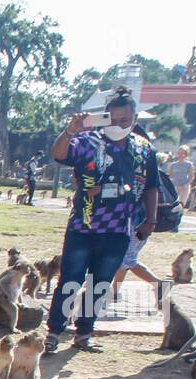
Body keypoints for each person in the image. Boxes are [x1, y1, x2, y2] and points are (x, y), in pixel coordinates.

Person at [44, 87, 159, 354]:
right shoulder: (88, 141)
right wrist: (71, 130)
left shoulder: (144, 149)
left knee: (100, 283)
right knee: (71, 280)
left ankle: (85, 332)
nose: (118, 125)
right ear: (105, 117)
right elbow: (59, 155)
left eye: (125, 120)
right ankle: (54, 331)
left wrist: (150, 220)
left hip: (120, 229)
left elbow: (152, 185)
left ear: (134, 118)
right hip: (83, 226)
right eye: (114, 119)